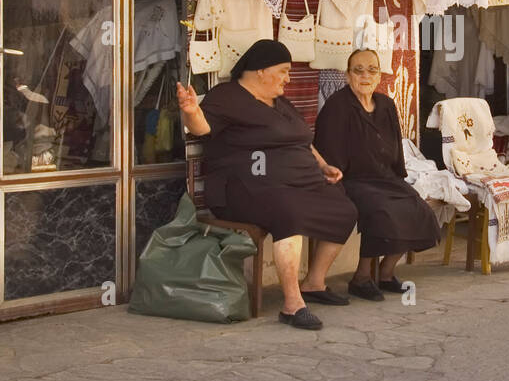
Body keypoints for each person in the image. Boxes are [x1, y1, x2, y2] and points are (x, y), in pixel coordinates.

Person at [177, 40, 357, 331]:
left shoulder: (280, 101)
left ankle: (314, 282)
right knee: (289, 212)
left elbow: (302, 139)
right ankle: (292, 304)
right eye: (283, 71)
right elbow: (202, 127)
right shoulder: (227, 97)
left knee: (344, 207)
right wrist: (190, 110)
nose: (288, 78)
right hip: (243, 188)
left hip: (295, 184)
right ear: (260, 70)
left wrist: (323, 165)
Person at [313, 49, 441, 301]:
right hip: (351, 180)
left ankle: (386, 273)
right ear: (348, 75)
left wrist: (399, 177)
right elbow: (328, 153)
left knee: (417, 208)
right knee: (382, 211)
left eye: (372, 70)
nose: (365, 75)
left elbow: (394, 143)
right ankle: (361, 278)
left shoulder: (385, 104)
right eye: (358, 70)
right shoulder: (337, 106)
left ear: (379, 74)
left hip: (385, 178)